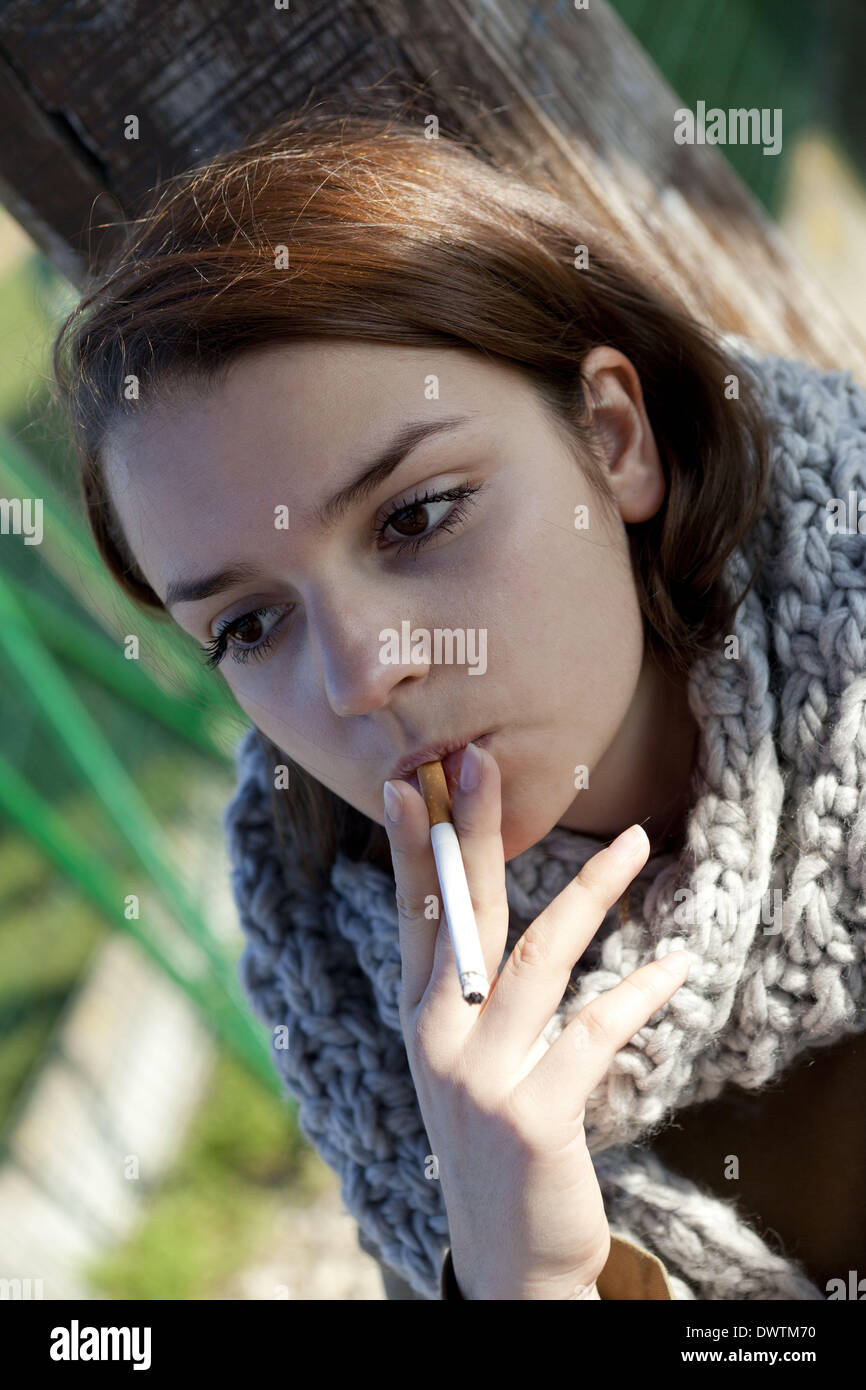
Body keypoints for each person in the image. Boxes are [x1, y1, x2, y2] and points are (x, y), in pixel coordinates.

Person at [51, 107, 866, 1299]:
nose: (357, 675)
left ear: (612, 436)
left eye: (415, 516)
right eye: (248, 624)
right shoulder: (359, 1008)